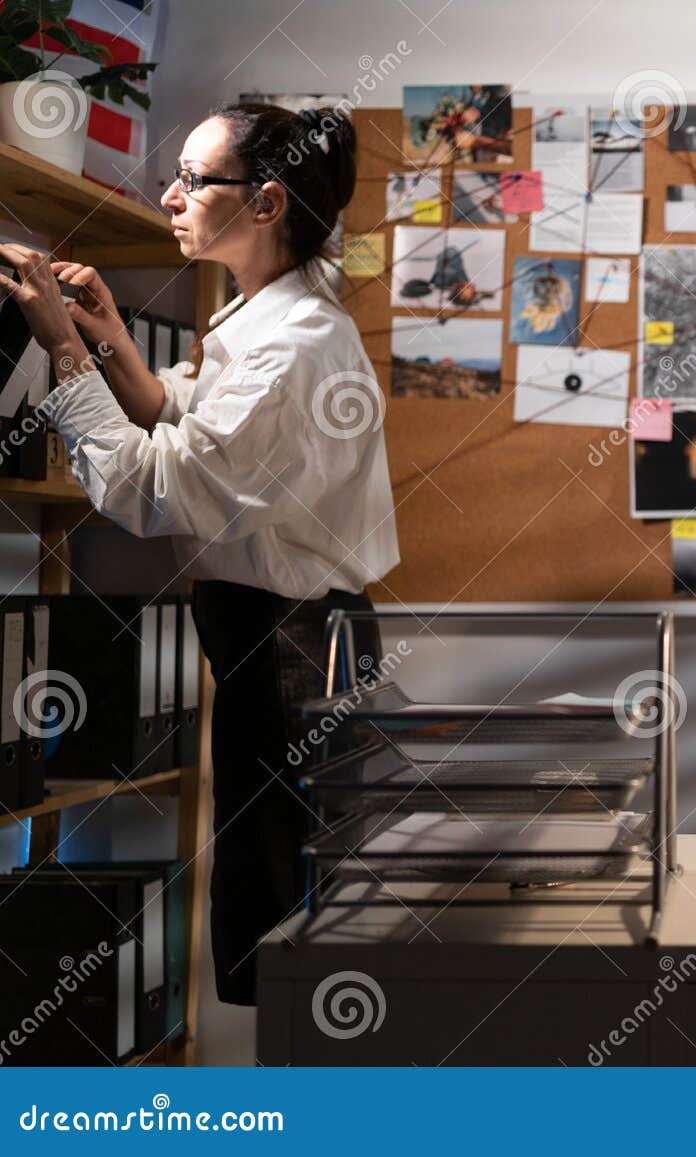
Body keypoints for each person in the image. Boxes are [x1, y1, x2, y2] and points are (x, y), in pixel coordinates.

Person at [0, 101, 399, 1004]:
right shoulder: (264, 317)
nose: (172, 196)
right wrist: (109, 342)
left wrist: (62, 348)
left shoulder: (294, 347)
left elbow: (157, 488)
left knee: (289, 933)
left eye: (194, 179)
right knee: (276, 913)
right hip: (277, 639)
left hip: (296, 651)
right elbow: (189, 422)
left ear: (264, 205)